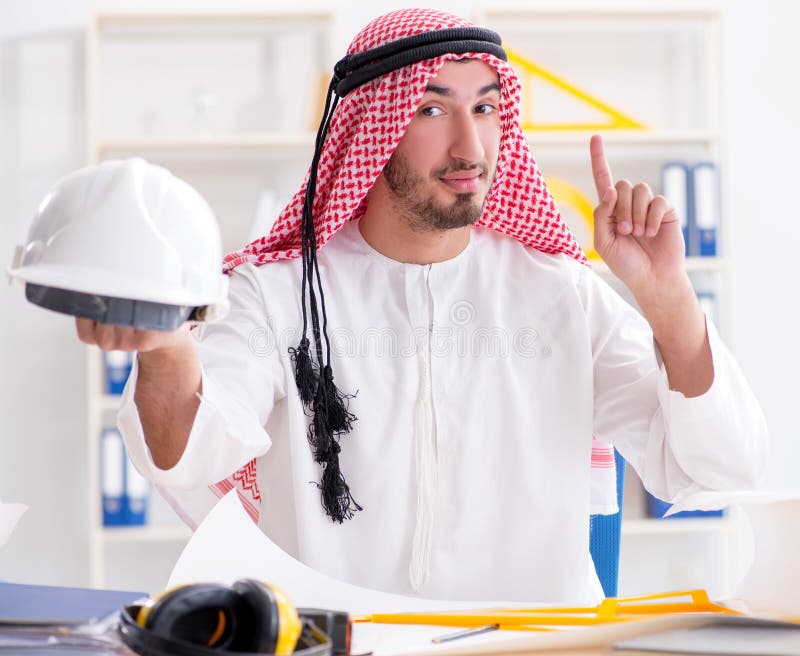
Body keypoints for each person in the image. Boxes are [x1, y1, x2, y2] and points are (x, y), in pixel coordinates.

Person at [77, 8, 767, 603]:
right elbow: (187, 455)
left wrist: (668, 301)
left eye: (486, 108)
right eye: (432, 109)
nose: (470, 146)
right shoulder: (278, 291)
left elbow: (719, 470)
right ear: (371, 128)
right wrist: (167, 346)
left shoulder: (563, 293)